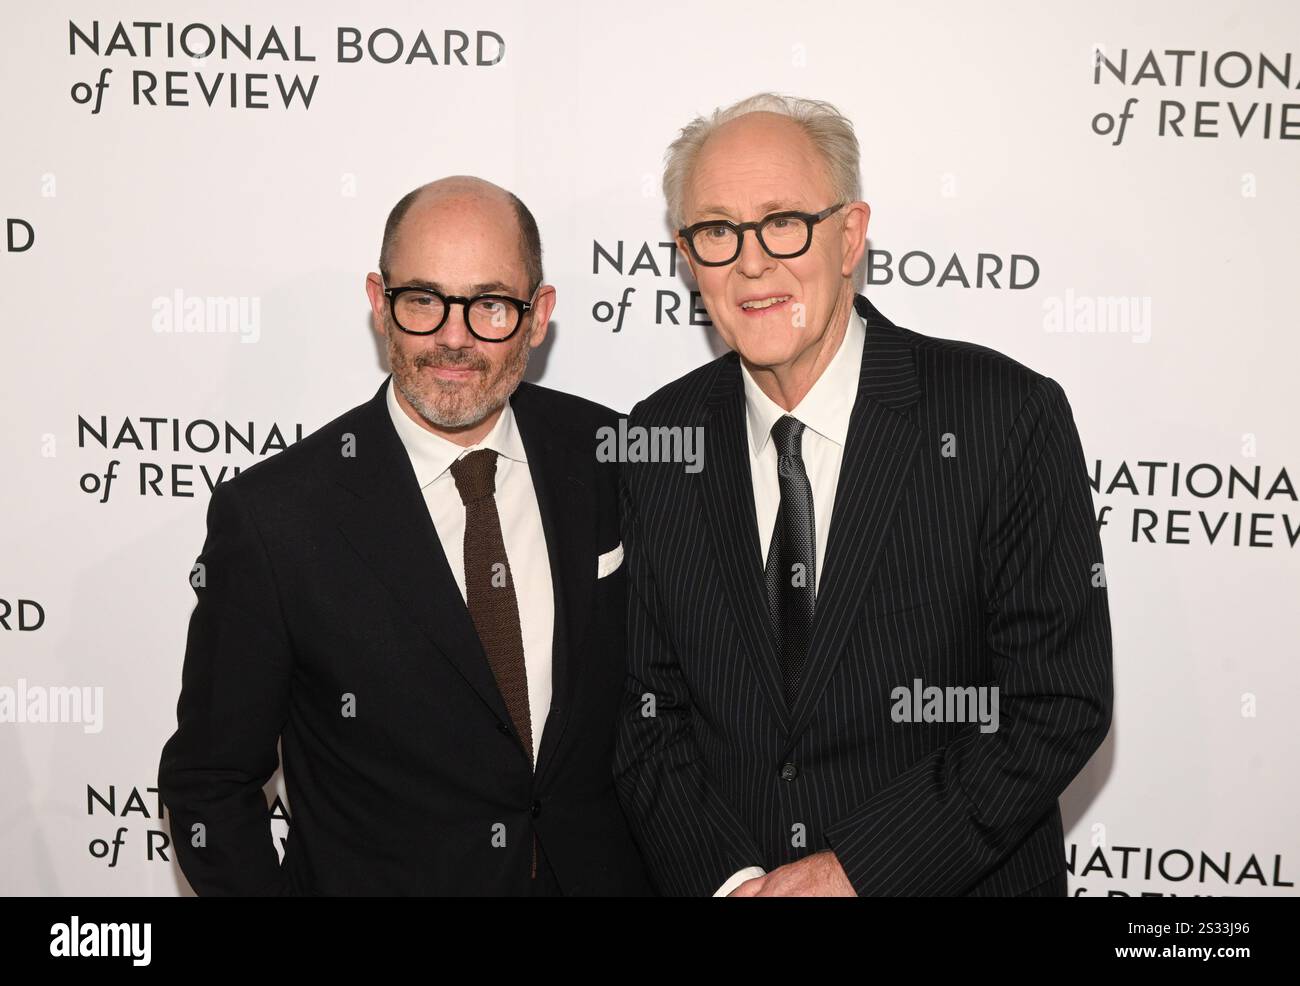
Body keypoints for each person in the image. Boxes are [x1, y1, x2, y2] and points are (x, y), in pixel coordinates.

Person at [614, 93, 1113, 896]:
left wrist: (856, 872)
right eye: (716, 231)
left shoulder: (1001, 415)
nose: (751, 261)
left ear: (849, 237)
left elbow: (1055, 700)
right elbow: (646, 715)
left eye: (784, 222)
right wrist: (734, 880)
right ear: (686, 255)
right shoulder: (658, 441)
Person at [159, 176, 650, 896]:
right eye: (422, 299)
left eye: (489, 304)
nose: (453, 338)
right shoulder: (276, 518)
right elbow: (209, 783)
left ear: (538, 315)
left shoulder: (615, 456)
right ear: (378, 304)